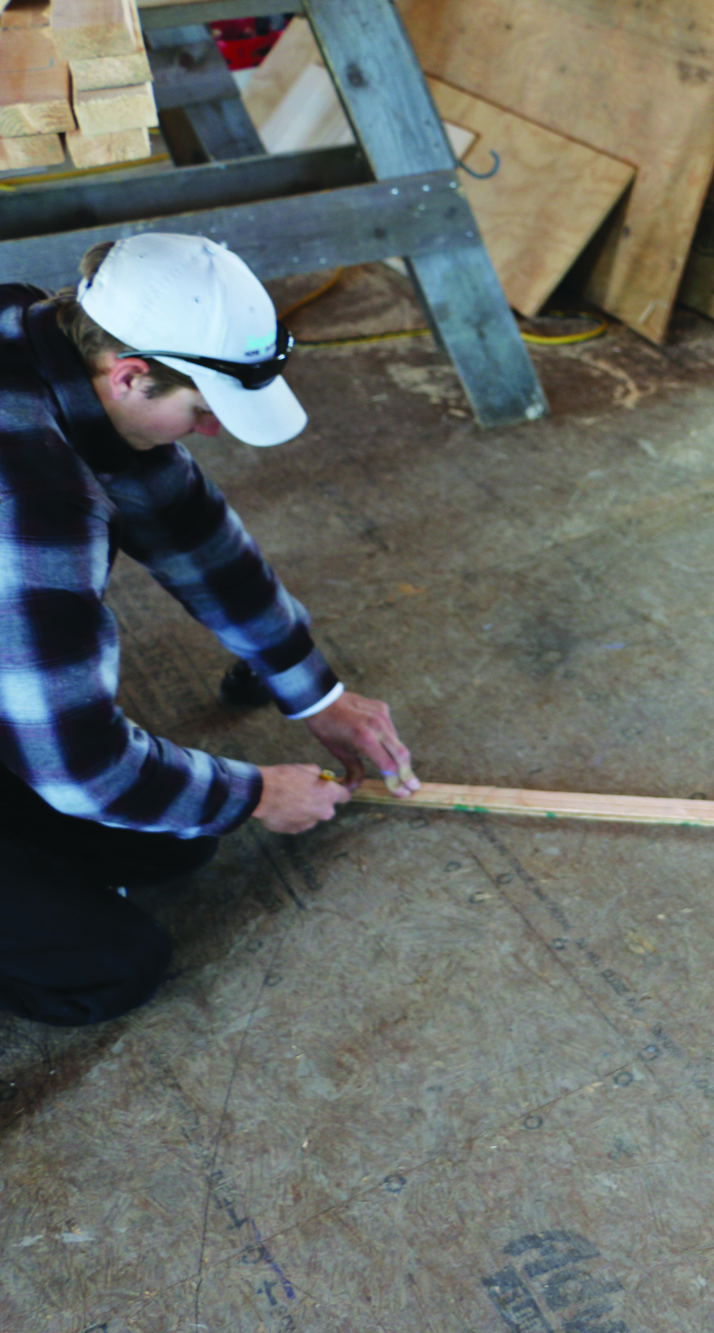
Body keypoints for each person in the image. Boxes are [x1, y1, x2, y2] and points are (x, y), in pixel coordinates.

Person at [0, 233, 422, 1027]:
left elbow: (189, 533)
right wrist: (255, 793)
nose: (212, 432)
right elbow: (79, 768)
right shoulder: (31, 498)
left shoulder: (42, 336)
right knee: (109, 966)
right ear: (129, 375)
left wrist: (315, 695)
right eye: (199, 410)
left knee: (174, 838)